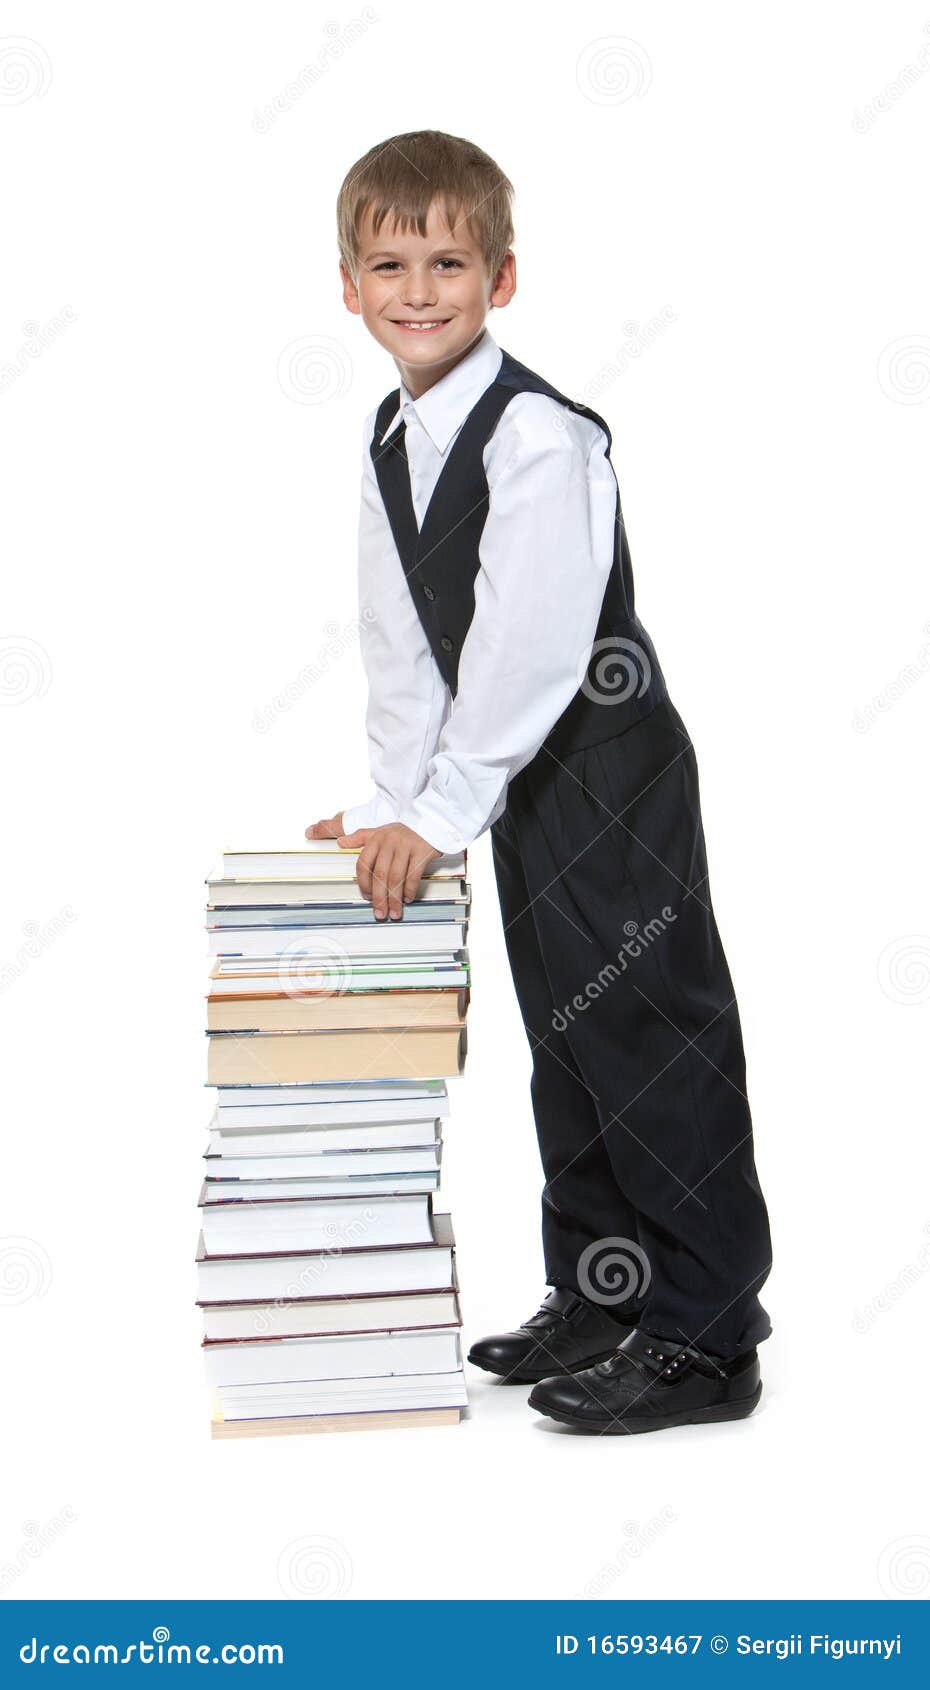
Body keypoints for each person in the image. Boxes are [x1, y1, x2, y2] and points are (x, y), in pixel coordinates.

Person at [307, 129, 773, 1435]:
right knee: (565, 1038)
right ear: (347, 286)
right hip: (512, 783)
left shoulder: (536, 438)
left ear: (500, 279)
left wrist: (447, 802)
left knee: (648, 1033)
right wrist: (404, 804)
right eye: (388, 262)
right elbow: (398, 634)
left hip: (603, 774)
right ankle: (604, 1288)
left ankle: (703, 1332)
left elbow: (529, 647)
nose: (417, 288)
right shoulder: (391, 438)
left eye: (447, 260)